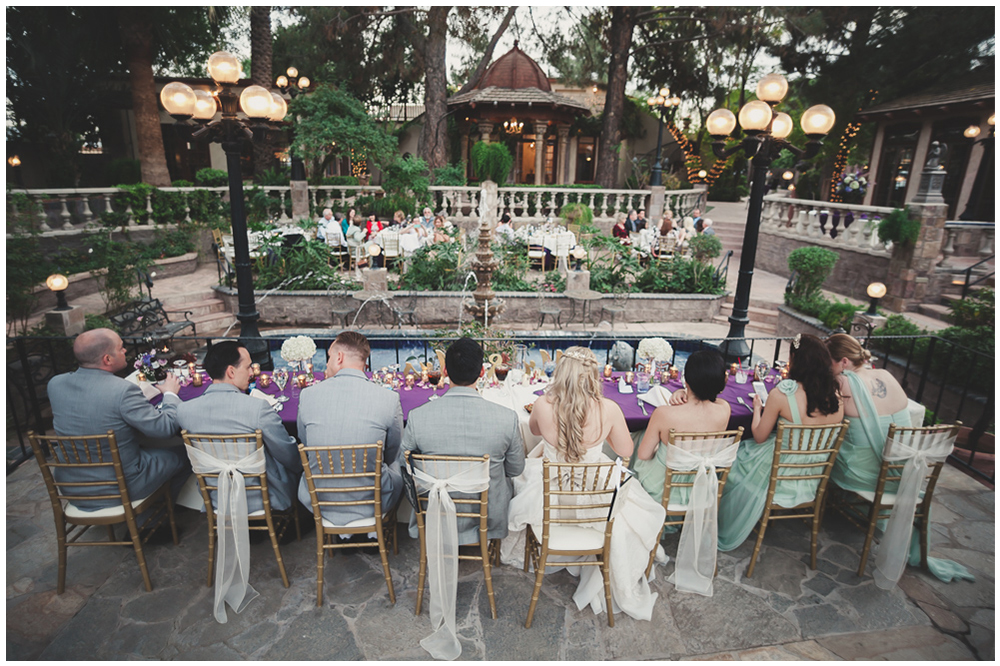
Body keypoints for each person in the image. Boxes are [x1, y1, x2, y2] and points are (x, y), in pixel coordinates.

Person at [500, 347, 666, 621]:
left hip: (552, 492)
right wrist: (603, 435)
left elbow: (534, 430)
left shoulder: (542, 404)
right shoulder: (609, 409)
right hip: (594, 493)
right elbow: (625, 449)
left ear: (562, 372)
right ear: (592, 376)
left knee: (521, 479)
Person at [824, 334, 973, 583]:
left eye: (829, 362)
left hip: (866, 474)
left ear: (844, 361)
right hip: (900, 471)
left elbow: (829, 418)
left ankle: (820, 506)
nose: (827, 368)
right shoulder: (886, 375)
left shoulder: (842, 383)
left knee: (826, 452)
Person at [717, 334, 844, 551]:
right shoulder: (837, 398)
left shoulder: (783, 394)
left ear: (797, 361)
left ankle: (718, 516)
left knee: (730, 457)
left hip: (778, 471)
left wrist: (758, 409)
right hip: (810, 477)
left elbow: (759, 436)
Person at [47, 328, 189, 511]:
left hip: (72, 486)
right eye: (121, 348)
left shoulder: (55, 384)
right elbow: (165, 429)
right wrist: (170, 393)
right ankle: (157, 517)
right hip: (120, 485)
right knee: (188, 453)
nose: (125, 352)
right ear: (107, 359)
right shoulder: (122, 390)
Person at [400, 338, 525, 543]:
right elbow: (515, 469)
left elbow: (403, 465)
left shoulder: (417, 417)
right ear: (482, 372)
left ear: (445, 371)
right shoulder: (507, 418)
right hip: (488, 515)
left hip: (435, 510)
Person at [176, 341, 302, 513]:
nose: (252, 373)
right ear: (231, 371)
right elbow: (287, 454)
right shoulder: (257, 408)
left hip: (216, 497)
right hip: (262, 497)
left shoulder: (184, 411)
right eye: (248, 367)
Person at [297, 332, 403, 525]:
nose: (327, 364)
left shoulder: (307, 396)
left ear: (339, 357)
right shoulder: (389, 398)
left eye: (329, 357)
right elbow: (393, 451)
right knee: (399, 461)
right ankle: (376, 530)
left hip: (320, 501)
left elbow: (305, 443)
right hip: (374, 502)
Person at [634, 350, 732, 504]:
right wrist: (685, 391)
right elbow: (711, 397)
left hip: (662, 487)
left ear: (687, 381)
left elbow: (643, 455)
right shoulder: (724, 409)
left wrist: (683, 391)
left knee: (639, 440)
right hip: (698, 487)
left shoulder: (664, 414)